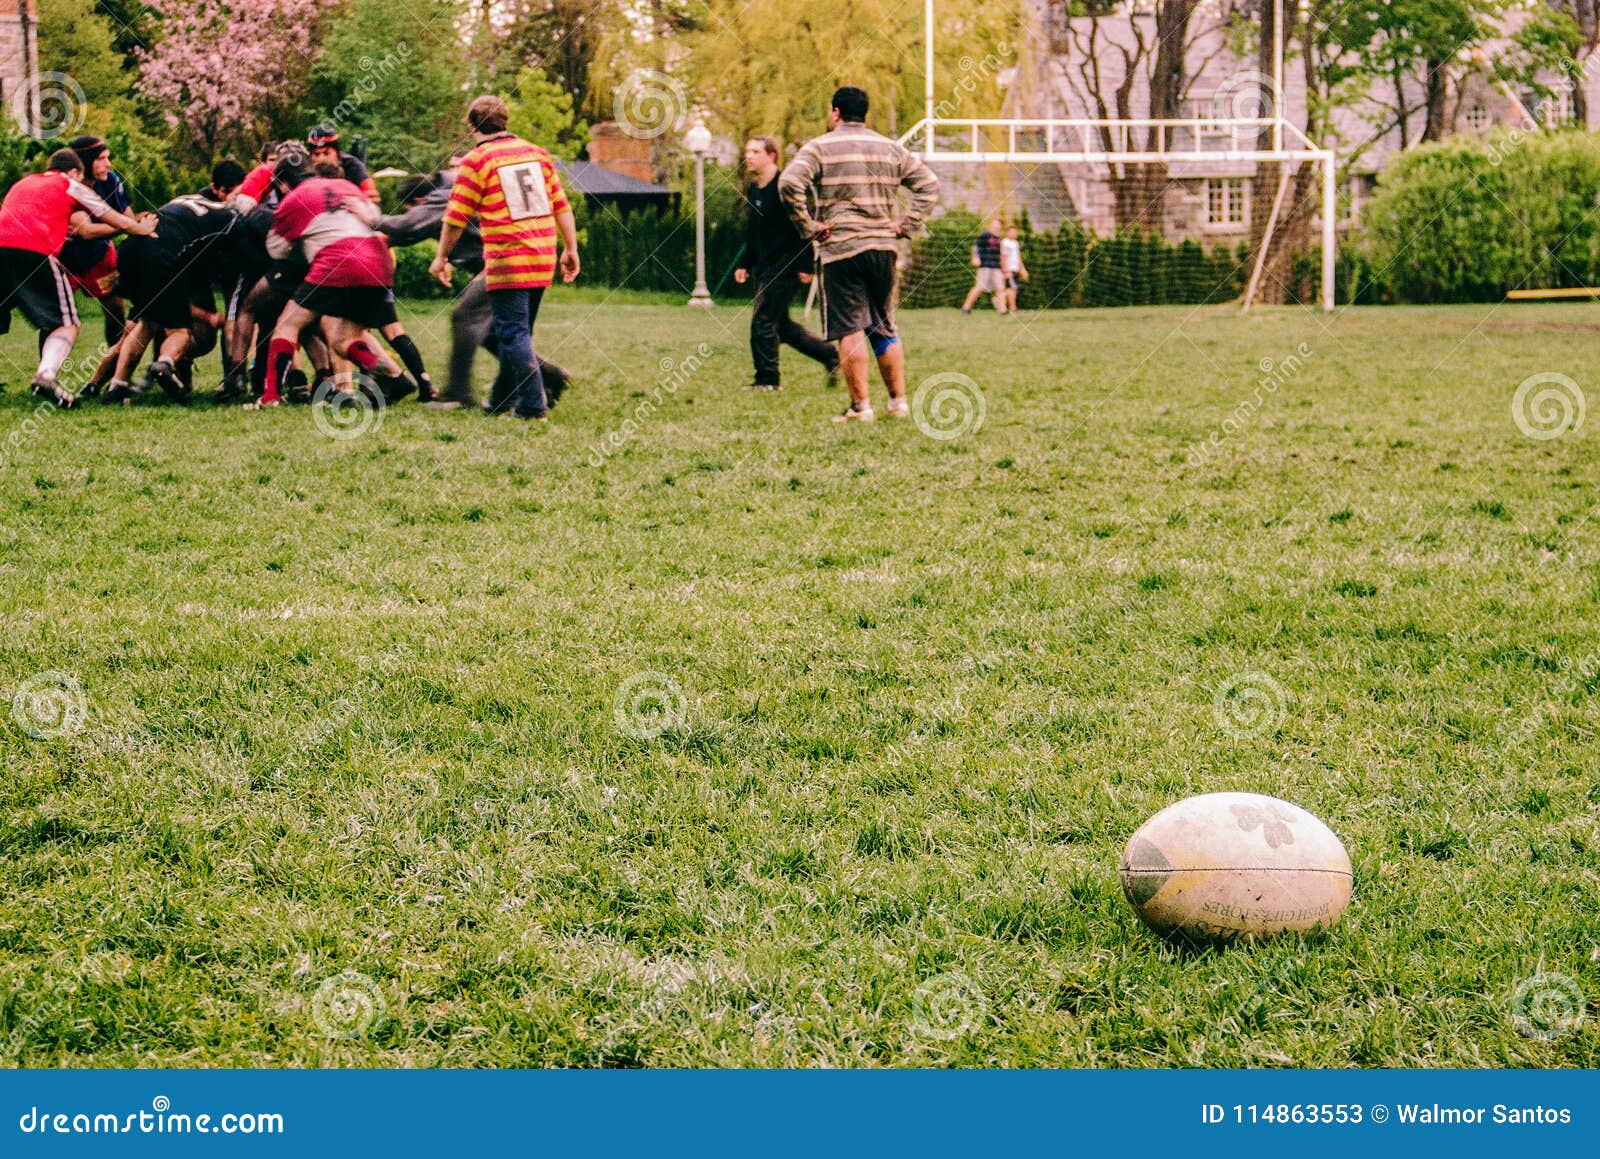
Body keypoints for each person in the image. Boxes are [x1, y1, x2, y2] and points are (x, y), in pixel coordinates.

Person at [778, 86, 938, 423]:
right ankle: (898, 403)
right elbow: (929, 184)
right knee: (883, 325)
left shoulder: (820, 147)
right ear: (865, 113)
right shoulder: (891, 149)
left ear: (835, 112)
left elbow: (789, 183)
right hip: (884, 247)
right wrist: (906, 224)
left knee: (849, 326)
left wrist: (807, 225)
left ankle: (861, 407)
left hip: (842, 249)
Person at [369, 162, 571, 411]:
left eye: (410, 208)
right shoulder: (445, 193)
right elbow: (411, 234)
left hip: (501, 262)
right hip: (514, 260)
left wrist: (365, 216)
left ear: (419, 201)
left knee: (465, 317)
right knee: (493, 333)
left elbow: (408, 225)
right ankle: (550, 376)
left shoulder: (441, 197)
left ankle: (458, 394)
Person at [432, 95, 580, 421]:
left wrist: (441, 257)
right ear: (505, 121)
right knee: (519, 332)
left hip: (507, 257)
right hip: (542, 254)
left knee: (510, 334)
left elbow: (455, 218)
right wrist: (570, 250)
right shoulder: (537, 154)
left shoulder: (477, 160)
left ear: (472, 126)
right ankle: (499, 400)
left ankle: (532, 406)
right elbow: (562, 206)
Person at [251, 156, 412, 409]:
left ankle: (270, 397)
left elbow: (276, 250)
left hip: (337, 262)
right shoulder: (349, 186)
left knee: (287, 325)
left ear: (283, 184)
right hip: (379, 260)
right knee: (342, 341)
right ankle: (392, 375)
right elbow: (375, 217)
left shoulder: (293, 199)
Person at [0, 149, 155, 407]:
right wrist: (143, 228)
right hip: (35, 248)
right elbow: (113, 217)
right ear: (74, 172)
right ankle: (46, 376)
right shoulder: (70, 184)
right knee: (67, 324)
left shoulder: (24, 182)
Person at [103, 168, 247, 402]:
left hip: (131, 247)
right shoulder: (231, 218)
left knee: (147, 322)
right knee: (179, 330)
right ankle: (165, 363)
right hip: (163, 255)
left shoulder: (191, 201)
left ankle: (117, 385)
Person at [733, 135, 837, 392]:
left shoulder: (784, 187)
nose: (749, 156)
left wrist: (806, 265)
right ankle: (830, 355)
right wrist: (745, 262)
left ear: (771, 156)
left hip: (786, 266)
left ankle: (767, 380)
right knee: (782, 326)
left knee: (763, 321)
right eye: (747, 151)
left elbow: (800, 227)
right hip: (766, 266)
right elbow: (753, 231)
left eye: (755, 151)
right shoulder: (755, 190)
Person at [57, 135, 132, 351]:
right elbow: (86, 231)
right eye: (100, 159)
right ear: (84, 161)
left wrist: (135, 224)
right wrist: (127, 225)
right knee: (57, 319)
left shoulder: (110, 181)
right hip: (64, 258)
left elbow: (129, 215)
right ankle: (46, 376)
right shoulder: (68, 185)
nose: (107, 164)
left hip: (99, 255)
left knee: (116, 309)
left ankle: (115, 370)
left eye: (108, 158)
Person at [306, 125, 380, 203]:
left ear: (337, 154)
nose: (321, 159)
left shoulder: (353, 165)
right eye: (316, 154)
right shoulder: (304, 168)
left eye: (326, 153)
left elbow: (373, 200)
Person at [961, 217, 1006, 314]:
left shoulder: (999, 239)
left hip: (996, 267)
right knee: (979, 287)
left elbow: (1001, 255)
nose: (996, 226)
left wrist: (1003, 269)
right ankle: (966, 307)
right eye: (994, 224)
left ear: (1001, 227)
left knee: (1000, 288)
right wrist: (975, 257)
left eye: (998, 225)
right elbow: (975, 247)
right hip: (985, 266)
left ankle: (1002, 309)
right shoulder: (985, 235)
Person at [1000, 224, 1028, 314]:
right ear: (1007, 233)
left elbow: (1018, 257)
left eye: (1015, 232)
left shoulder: (1015, 243)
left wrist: (1022, 269)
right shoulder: (1005, 242)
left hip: (1015, 269)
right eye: (1012, 232)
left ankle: (1008, 305)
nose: (1014, 233)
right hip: (1009, 269)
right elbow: (1003, 257)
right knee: (1012, 288)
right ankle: (1011, 307)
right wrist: (1005, 270)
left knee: (1014, 289)